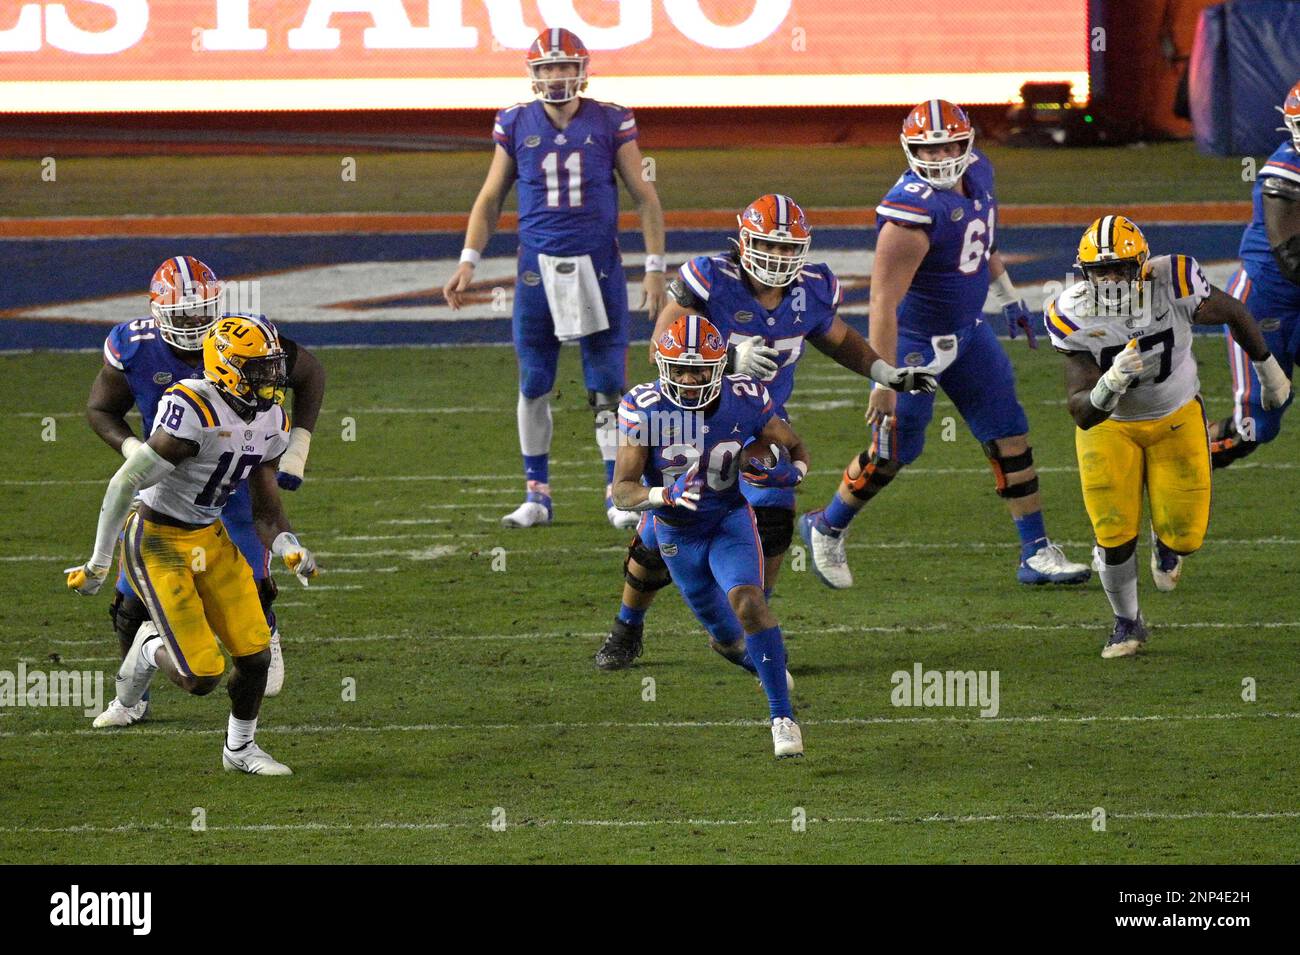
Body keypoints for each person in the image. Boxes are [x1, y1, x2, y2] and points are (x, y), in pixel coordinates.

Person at [595, 194, 934, 670]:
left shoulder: (811, 291)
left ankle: (753, 623)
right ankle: (627, 625)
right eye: (767, 246)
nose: (776, 259)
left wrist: (885, 373)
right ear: (743, 242)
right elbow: (660, 346)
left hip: (753, 417)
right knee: (662, 532)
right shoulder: (710, 278)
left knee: (774, 516)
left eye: (786, 249)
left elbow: (840, 341)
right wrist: (728, 358)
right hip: (688, 413)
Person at [801, 99, 1089, 589]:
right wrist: (883, 378)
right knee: (895, 449)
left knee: (1008, 432)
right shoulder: (909, 216)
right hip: (914, 345)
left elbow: (982, 243)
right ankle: (827, 525)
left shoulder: (979, 173)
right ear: (910, 151)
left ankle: (1036, 552)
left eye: (949, 146)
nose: (939, 158)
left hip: (969, 332)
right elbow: (882, 303)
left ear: (966, 142)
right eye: (928, 150)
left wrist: (1008, 296)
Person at [67, 314, 320, 773]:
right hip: (158, 540)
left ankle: (239, 750)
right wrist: (100, 562)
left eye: (272, 367)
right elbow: (124, 484)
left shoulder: (270, 418)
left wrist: (288, 545)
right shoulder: (191, 409)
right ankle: (147, 643)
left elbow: (264, 506)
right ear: (225, 367)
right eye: (258, 368)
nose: (271, 378)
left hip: (210, 536)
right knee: (202, 675)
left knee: (255, 654)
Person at [443, 28, 667, 529]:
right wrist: (468, 260)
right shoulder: (514, 122)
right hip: (535, 271)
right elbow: (490, 197)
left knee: (608, 386)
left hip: (600, 266)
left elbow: (644, 196)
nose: (556, 76)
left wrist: (654, 267)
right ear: (533, 74)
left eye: (564, 66)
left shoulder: (610, 120)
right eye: (546, 67)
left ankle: (617, 493)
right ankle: (536, 495)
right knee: (534, 382)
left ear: (582, 71)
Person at [1047, 215, 1289, 657]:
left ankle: (1165, 542)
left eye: (1121, 268)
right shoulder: (1071, 312)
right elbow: (1082, 413)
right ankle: (1127, 623)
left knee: (1185, 536)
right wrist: (1110, 383)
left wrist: (1269, 372)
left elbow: (1235, 312)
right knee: (1114, 531)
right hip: (1111, 429)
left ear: (1142, 264)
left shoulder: (1174, 279)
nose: (1112, 279)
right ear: (1085, 274)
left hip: (1176, 416)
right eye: (1102, 271)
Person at [611, 313, 809, 757]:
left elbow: (792, 445)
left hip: (728, 520)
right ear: (663, 366)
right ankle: (744, 653)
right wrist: (664, 493)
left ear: (720, 365)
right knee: (725, 633)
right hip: (677, 536)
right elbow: (622, 492)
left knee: (749, 602)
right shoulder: (644, 407)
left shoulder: (745, 398)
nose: (690, 376)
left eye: (700, 367)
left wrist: (789, 473)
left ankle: (782, 717)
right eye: (680, 367)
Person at [1209, 79, 1300, 467]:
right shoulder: (1283, 174)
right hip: (1265, 306)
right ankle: (1176, 460)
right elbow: (1292, 260)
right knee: (1254, 429)